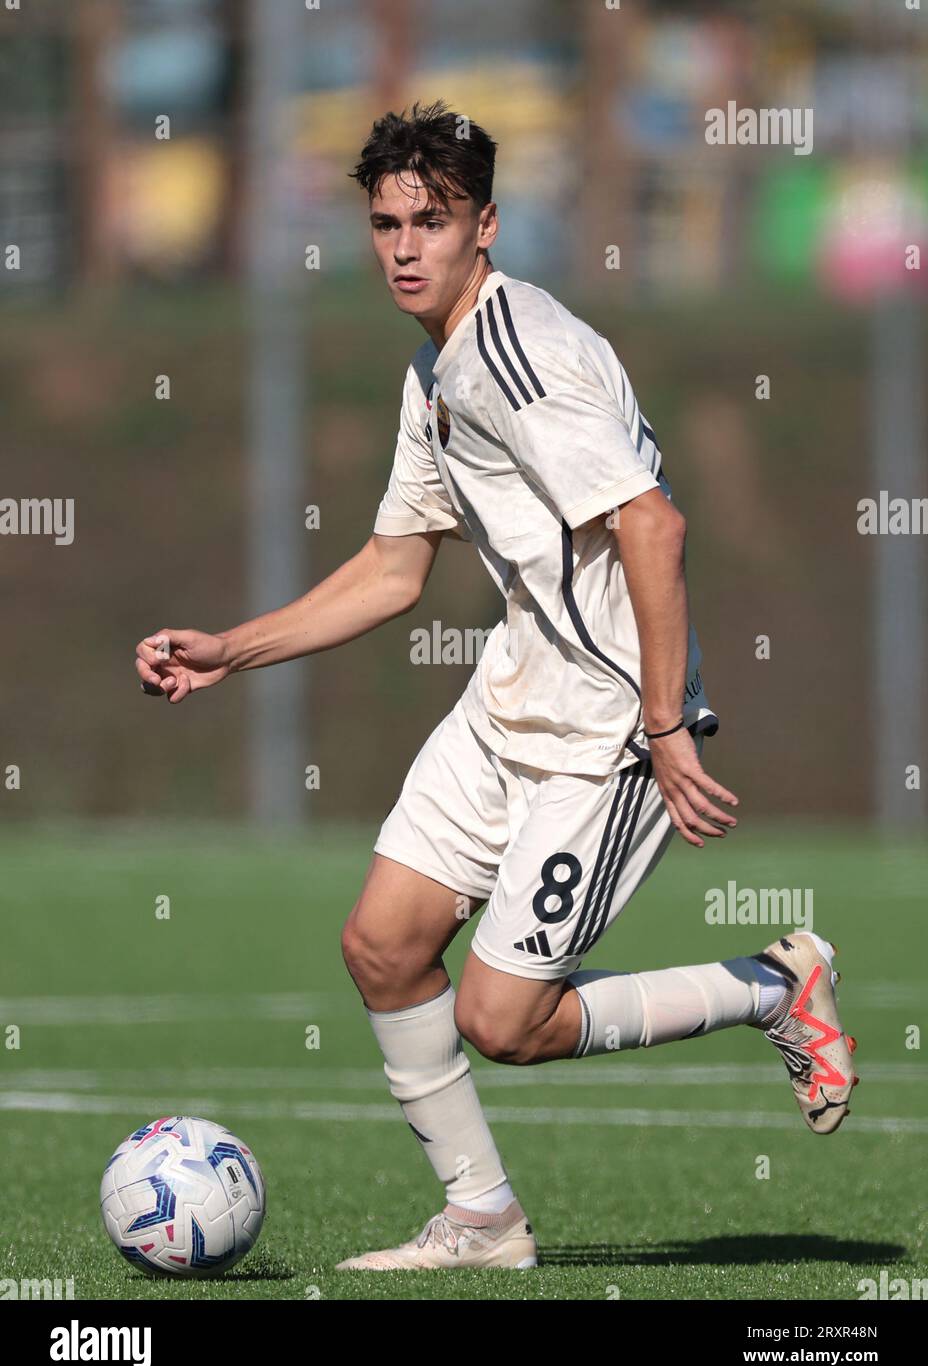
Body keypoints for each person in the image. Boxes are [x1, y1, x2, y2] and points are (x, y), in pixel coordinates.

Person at [135, 100, 858, 1272]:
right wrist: (232, 647)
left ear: (487, 227)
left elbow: (653, 526)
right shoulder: (437, 371)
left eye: (433, 219)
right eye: (385, 223)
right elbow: (389, 571)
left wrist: (665, 724)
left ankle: (773, 986)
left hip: (606, 729)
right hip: (509, 700)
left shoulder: (520, 356)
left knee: (502, 1023)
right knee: (381, 944)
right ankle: (482, 1220)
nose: (405, 245)